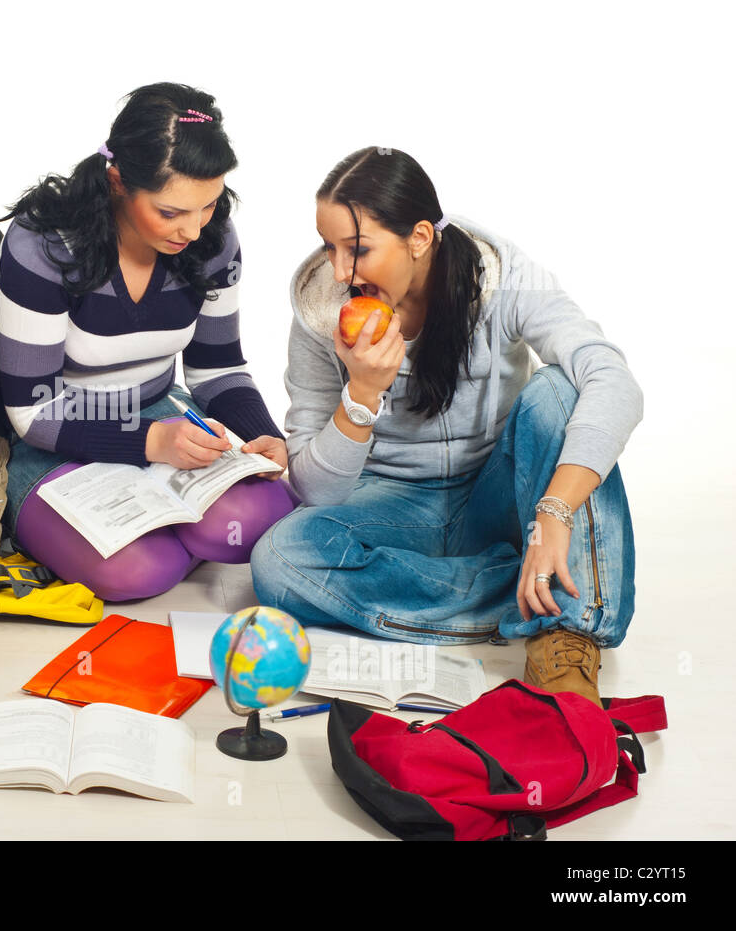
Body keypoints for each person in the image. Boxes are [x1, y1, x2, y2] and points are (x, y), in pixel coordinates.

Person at [250, 147, 643, 705]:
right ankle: (536, 598)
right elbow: (316, 491)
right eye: (329, 247)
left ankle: (569, 634)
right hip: (391, 507)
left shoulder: (504, 279)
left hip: (498, 495)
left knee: (561, 388)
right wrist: (360, 396)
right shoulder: (321, 310)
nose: (341, 272)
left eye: (358, 249)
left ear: (418, 238)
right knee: (280, 562)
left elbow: (613, 380)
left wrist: (554, 511)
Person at [0, 83, 294, 602]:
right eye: (171, 212)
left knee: (262, 518)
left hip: (169, 423)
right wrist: (151, 441)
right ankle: (166, 536)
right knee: (138, 572)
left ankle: (165, 529)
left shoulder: (214, 239)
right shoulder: (44, 246)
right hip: (58, 441)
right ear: (117, 182)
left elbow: (216, 369)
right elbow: (33, 413)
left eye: (208, 205)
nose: (195, 230)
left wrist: (263, 433)